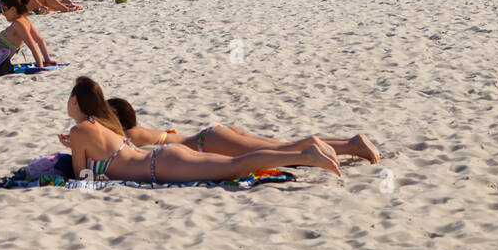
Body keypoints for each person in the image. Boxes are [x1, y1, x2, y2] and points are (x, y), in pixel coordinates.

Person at [61, 78, 341, 184]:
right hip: (166, 155)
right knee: (238, 164)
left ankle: (307, 156)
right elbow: (106, 154)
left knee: (238, 166)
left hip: (161, 167)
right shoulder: (102, 125)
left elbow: (79, 176)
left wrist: (73, 149)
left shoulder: (80, 132)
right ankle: (307, 153)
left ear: (75, 100)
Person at [107, 97, 380, 165]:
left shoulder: (130, 135)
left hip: (209, 143)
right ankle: (351, 142)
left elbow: (113, 147)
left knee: (280, 150)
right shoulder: (140, 129)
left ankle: (349, 146)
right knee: (282, 145)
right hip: (214, 133)